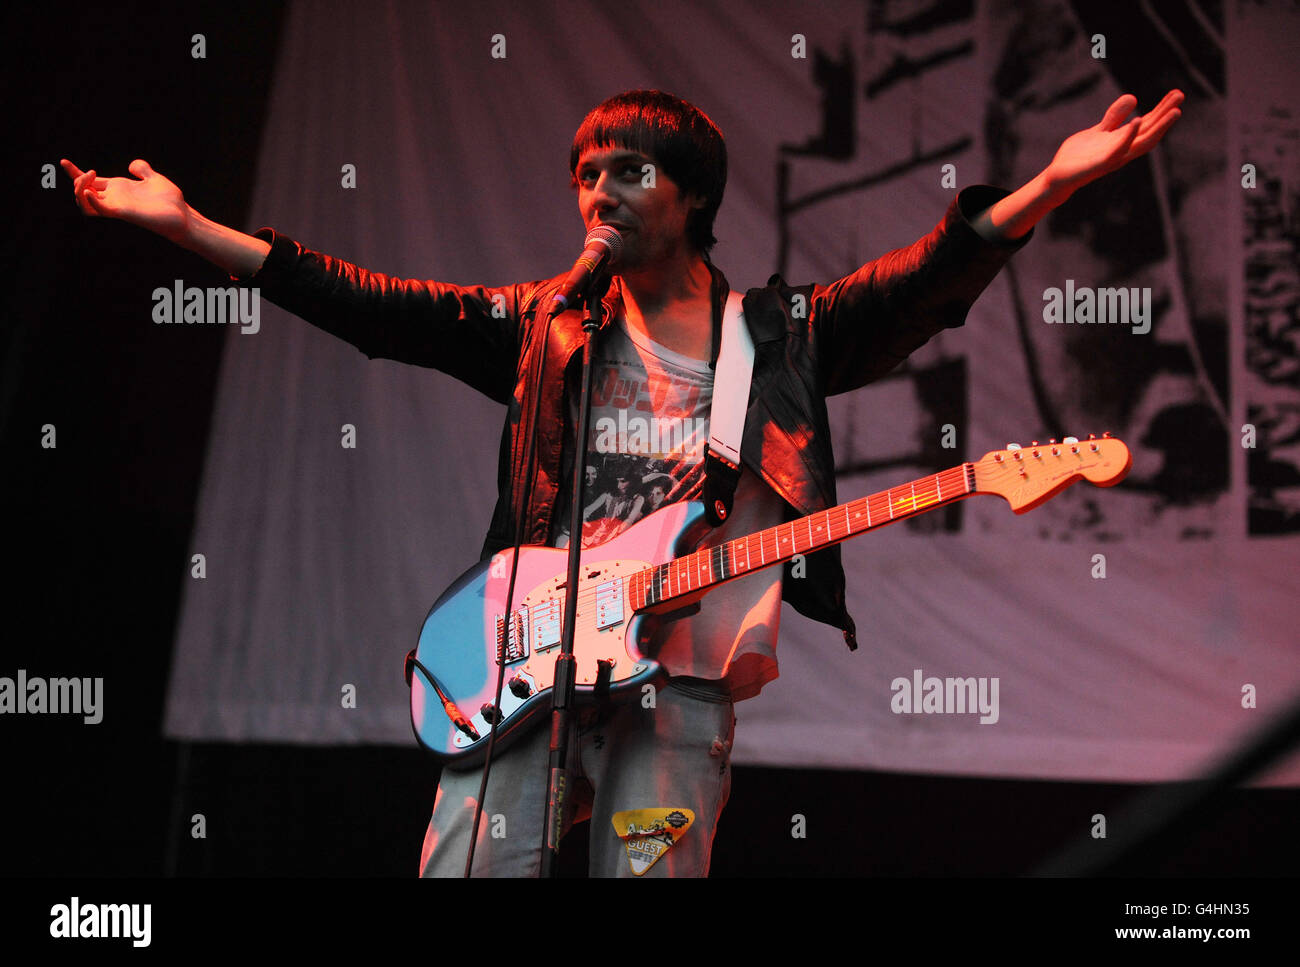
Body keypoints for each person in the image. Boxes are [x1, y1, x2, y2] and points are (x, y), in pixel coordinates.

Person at [63, 86, 1183, 877]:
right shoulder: (544, 325)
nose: (599, 190)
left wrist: (1046, 183)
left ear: (693, 197)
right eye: (586, 174)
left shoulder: (779, 339)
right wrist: (190, 227)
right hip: (523, 668)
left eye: (627, 171)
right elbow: (372, 307)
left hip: (675, 685)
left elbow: (928, 280)